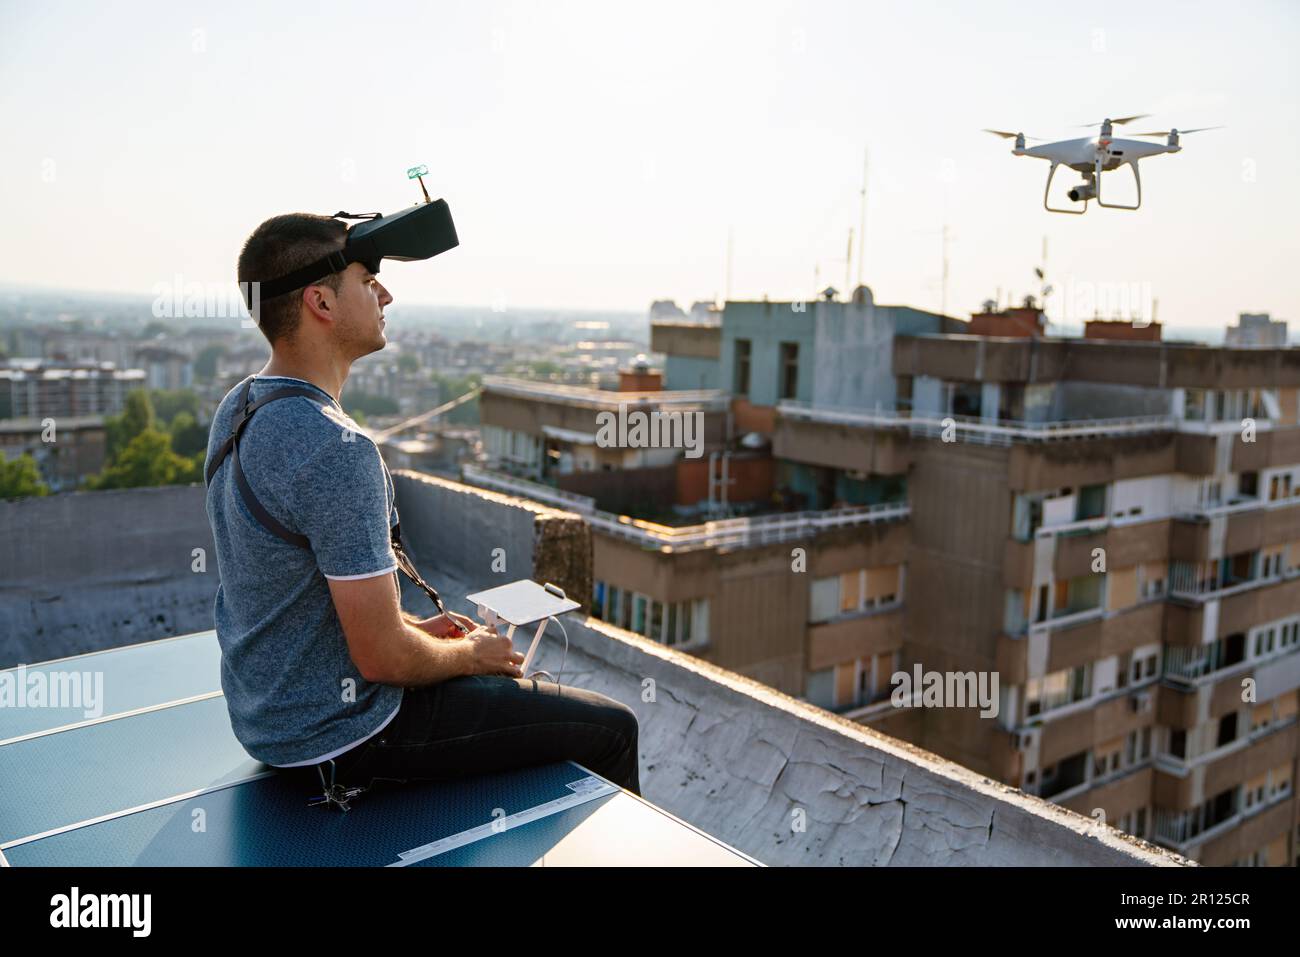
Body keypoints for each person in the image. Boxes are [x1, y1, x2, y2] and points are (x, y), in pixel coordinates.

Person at [203, 213, 641, 804]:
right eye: (367, 278)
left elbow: (296, 596)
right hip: (346, 734)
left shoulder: (238, 409)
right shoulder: (338, 450)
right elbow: (381, 659)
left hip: (269, 723)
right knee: (613, 730)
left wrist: (415, 628)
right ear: (321, 303)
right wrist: (468, 655)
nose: (386, 293)